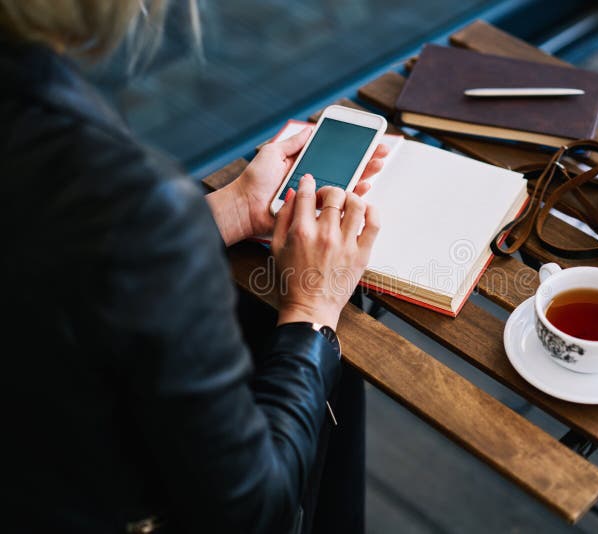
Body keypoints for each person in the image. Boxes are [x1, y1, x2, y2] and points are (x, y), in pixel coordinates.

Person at [0, 1, 387, 532]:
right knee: (320, 341)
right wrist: (313, 305)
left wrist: (232, 211)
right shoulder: (115, 187)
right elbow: (252, 511)